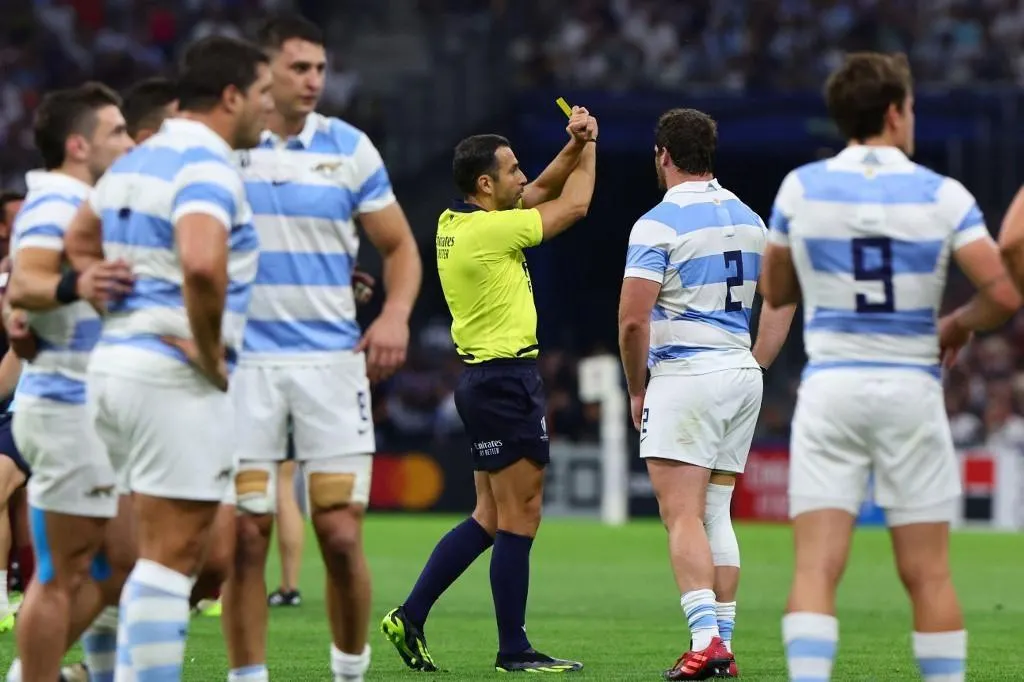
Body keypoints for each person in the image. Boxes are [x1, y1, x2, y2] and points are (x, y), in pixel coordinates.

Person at [761, 52, 1021, 682]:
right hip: (910, 385)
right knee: (928, 573)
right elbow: (1004, 293)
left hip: (832, 386)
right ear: (896, 111)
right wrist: (954, 326)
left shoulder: (801, 187)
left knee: (817, 568)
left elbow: (776, 288)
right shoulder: (943, 194)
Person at [63, 36, 272, 680]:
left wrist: (111, 303)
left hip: (116, 367)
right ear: (232, 96)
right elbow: (204, 264)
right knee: (171, 553)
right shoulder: (208, 166)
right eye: (262, 95)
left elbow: (79, 239)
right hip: (171, 375)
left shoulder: (136, 160)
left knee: (124, 552)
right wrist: (208, 352)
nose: (269, 111)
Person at [222, 16, 421, 682]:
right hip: (242, 367)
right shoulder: (221, 149)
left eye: (320, 69)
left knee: (340, 536)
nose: (314, 81)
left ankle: (348, 672)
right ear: (264, 71)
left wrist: (393, 315)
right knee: (245, 540)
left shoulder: (349, 148)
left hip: (332, 366)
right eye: (299, 67)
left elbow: (399, 247)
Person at [381, 113, 596, 673]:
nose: (523, 177)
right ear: (485, 185)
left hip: (481, 380)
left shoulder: (458, 224)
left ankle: (411, 615)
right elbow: (572, 206)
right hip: (505, 382)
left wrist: (569, 145)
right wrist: (590, 147)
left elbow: (544, 187)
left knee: (489, 517)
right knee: (521, 517)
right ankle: (513, 649)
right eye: (512, 169)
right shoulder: (492, 231)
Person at [617, 108, 796, 680]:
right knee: (716, 512)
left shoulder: (658, 223)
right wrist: (756, 363)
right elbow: (784, 299)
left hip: (686, 377)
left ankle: (704, 642)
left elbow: (631, 322)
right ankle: (722, 644)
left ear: (663, 155)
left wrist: (636, 388)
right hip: (739, 374)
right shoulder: (751, 219)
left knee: (681, 516)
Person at [3, 82, 135, 681]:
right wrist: (74, 286)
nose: (128, 142)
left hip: (93, 407)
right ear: (79, 144)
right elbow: (24, 286)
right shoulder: (56, 201)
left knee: (121, 562)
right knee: (65, 572)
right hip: (63, 407)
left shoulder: (89, 201)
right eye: (117, 131)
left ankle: (54, 671)